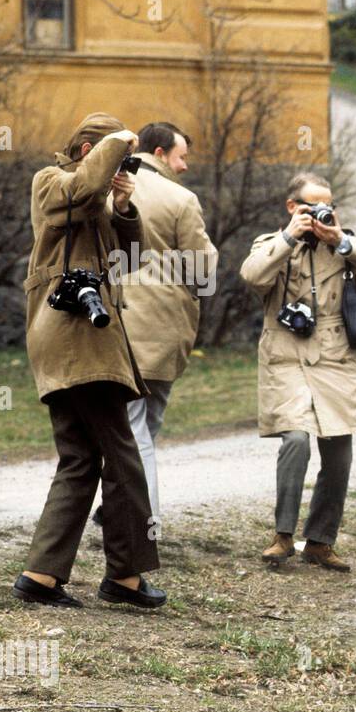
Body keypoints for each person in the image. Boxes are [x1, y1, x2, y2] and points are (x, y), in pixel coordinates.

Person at [14, 112, 166, 610]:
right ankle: (124, 576)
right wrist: (124, 140)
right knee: (124, 457)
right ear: (88, 151)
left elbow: (133, 257)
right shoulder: (53, 182)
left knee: (80, 459)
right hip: (73, 339)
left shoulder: (95, 201)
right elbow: (79, 190)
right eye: (117, 158)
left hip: (83, 342)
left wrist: (123, 206)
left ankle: (41, 574)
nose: (122, 166)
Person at [240, 171, 356, 571]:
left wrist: (340, 239)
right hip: (287, 353)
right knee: (295, 440)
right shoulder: (273, 244)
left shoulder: (344, 247)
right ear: (292, 207)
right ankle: (283, 535)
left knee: (339, 452)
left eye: (328, 205)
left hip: (336, 355)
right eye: (311, 206)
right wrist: (291, 236)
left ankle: (321, 540)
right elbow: (252, 275)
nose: (320, 213)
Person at [97, 120, 217, 530]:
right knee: (142, 427)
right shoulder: (181, 199)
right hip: (161, 331)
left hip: (108, 321)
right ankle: (144, 520)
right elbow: (205, 271)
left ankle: (123, 506)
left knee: (129, 427)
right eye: (181, 156)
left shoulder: (101, 186)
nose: (185, 166)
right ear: (161, 153)